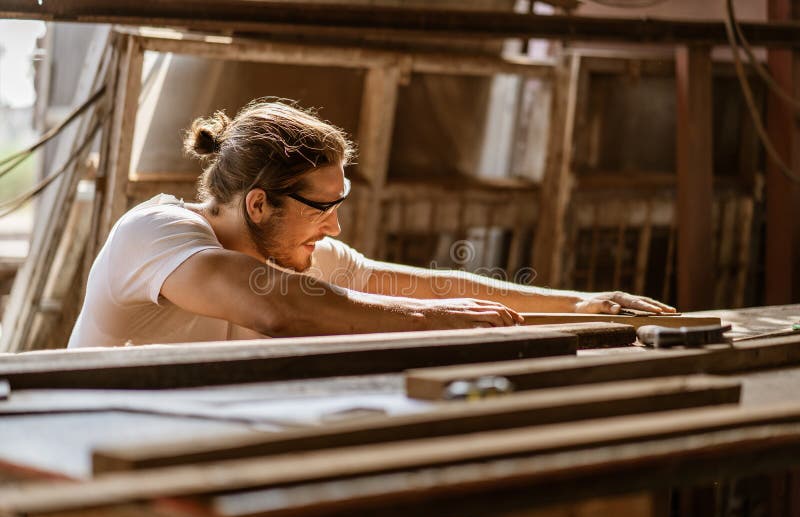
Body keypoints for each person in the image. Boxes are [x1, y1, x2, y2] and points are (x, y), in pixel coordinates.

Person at [68, 99, 675, 348]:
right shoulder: (155, 234)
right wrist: (436, 323)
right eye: (321, 209)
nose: (334, 228)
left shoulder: (289, 251)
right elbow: (278, 310)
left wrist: (580, 304)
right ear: (259, 205)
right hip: (84, 474)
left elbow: (423, 284)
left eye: (340, 204)